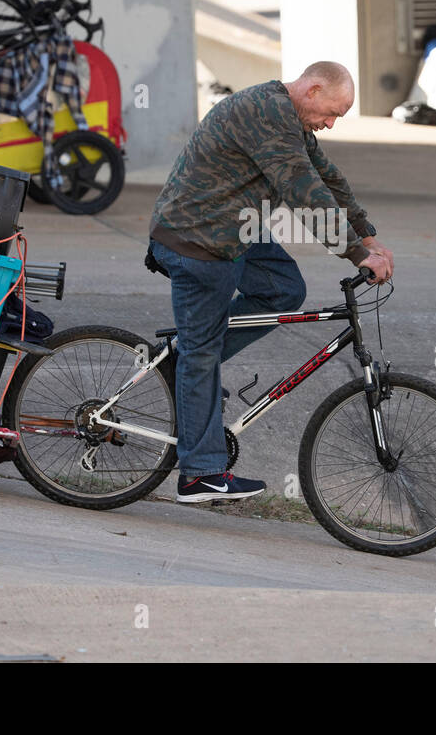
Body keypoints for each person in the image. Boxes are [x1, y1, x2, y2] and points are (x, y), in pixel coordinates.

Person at [148, 61, 394, 502]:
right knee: (201, 355)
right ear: (313, 89)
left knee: (283, 289)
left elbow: (328, 178)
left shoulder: (290, 116)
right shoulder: (267, 113)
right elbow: (305, 191)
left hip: (232, 231)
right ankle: (198, 474)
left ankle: (185, 369)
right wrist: (356, 253)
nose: (331, 124)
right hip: (197, 240)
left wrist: (370, 237)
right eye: (332, 112)